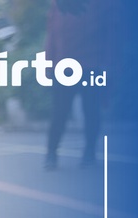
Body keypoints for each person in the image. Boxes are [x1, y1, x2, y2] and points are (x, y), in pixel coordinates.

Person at [43, 0, 111, 170]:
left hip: (91, 65)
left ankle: (89, 153)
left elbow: (110, 35)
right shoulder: (57, 5)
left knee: (92, 111)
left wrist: (108, 66)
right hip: (64, 67)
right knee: (59, 112)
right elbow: (51, 34)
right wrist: (49, 63)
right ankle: (51, 154)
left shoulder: (101, 4)